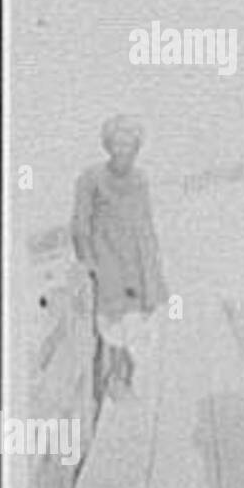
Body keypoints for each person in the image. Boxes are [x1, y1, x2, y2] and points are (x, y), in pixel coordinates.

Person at [71, 116, 168, 401]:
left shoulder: (140, 178)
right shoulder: (91, 178)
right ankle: (115, 382)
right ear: (108, 146)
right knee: (111, 326)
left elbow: (146, 224)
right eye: (117, 143)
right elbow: (80, 224)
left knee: (136, 325)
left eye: (129, 144)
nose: (123, 149)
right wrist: (87, 261)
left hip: (136, 263)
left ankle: (125, 378)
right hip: (106, 261)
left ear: (137, 147)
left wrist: (153, 272)